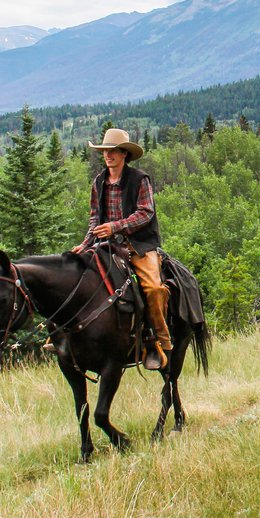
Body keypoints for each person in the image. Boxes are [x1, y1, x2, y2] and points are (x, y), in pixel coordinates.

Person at [70, 128, 172, 370]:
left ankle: (159, 340)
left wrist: (115, 227)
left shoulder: (140, 179)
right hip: (106, 246)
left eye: (113, 151)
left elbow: (146, 213)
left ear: (124, 154)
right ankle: (65, 336)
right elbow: (95, 220)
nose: (108, 155)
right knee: (75, 277)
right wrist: (84, 245)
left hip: (138, 246)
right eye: (105, 151)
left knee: (154, 288)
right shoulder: (98, 182)